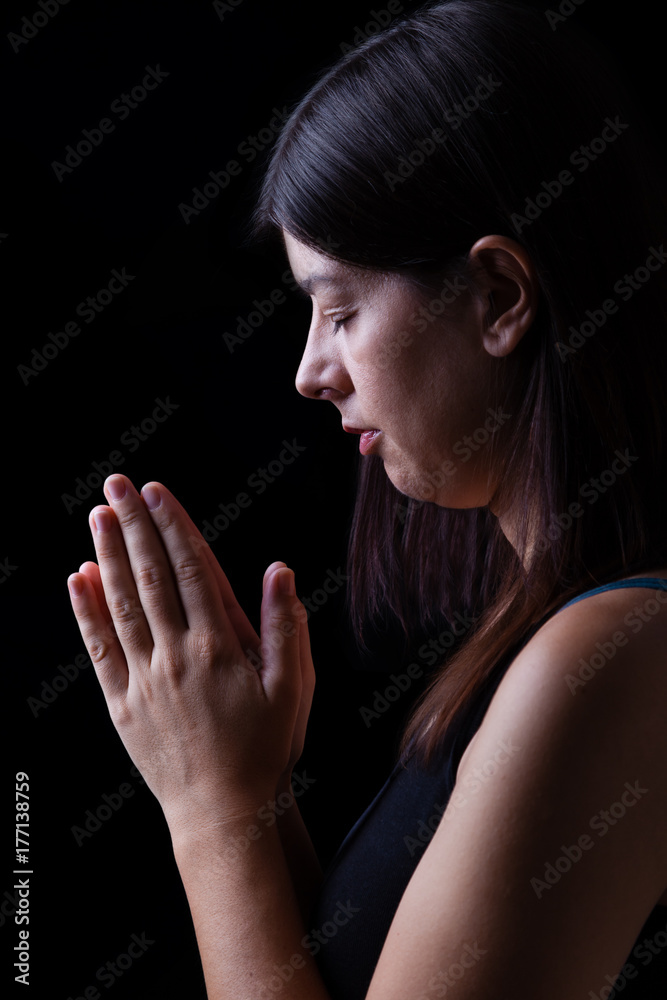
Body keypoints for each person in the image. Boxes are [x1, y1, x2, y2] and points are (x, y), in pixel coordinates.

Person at [67, 1, 667, 996]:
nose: (310, 371)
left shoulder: (611, 657)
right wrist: (253, 795)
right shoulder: (567, 641)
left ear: (499, 298)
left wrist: (212, 809)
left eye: (340, 309)